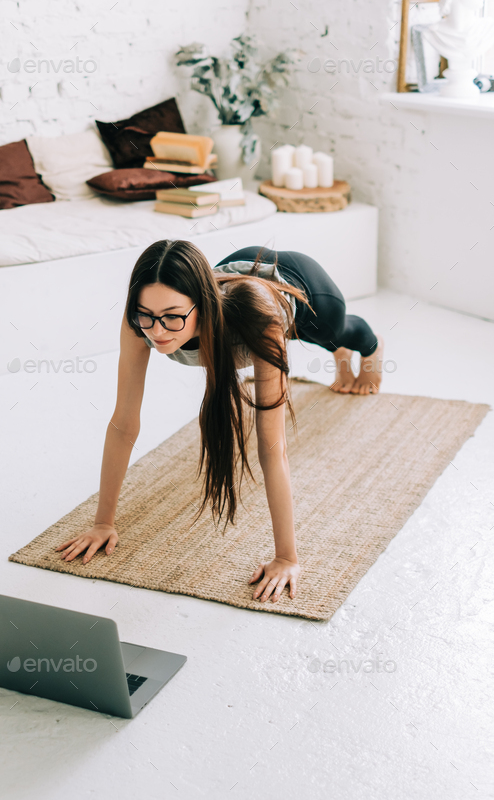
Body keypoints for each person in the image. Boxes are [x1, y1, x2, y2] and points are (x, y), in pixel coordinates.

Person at [57, 241, 384, 603]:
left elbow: (272, 447)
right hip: (241, 269)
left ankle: (365, 348)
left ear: (202, 304)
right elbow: (123, 423)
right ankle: (338, 352)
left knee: (337, 333)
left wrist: (286, 558)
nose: (158, 331)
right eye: (146, 315)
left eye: (172, 316)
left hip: (304, 287)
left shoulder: (259, 319)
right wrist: (103, 522)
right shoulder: (141, 320)